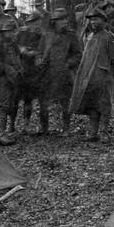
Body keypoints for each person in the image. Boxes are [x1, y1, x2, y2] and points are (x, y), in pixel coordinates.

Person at [69, 9, 114, 141]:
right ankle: (93, 133)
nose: (93, 22)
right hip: (90, 78)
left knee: (104, 105)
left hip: (104, 77)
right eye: (92, 19)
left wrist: (112, 75)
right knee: (92, 105)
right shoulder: (90, 37)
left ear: (104, 21)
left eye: (96, 19)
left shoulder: (109, 37)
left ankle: (104, 132)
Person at [36, 7, 82, 135]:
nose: (65, 22)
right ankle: (44, 129)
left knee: (65, 103)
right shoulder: (46, 36)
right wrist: (39, 60)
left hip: (64, 75)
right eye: (61, 20)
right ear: (54, 21)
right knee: (44, 103)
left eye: (65, 19)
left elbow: (78, 55)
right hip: (47, 75)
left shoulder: (71, 36)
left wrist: (68, 64)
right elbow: (39, 53)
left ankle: (66, 128)